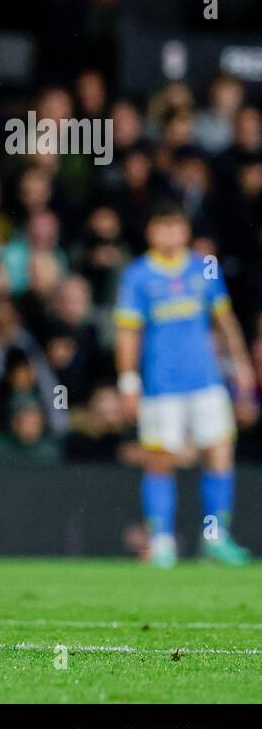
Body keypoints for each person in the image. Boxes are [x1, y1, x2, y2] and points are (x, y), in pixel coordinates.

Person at [114, 202, 256, 567]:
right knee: (160, 461)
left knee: (220, 452)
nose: (169, 234)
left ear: (185, 230)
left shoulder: (204, 268)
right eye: (162, 227)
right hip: (161, 385)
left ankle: (215, 537)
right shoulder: (138, 275)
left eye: (176, 226)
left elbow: (224, 321)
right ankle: (161, 542)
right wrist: (128, 382)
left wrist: (240, 365)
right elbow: (128, 333)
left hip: (206, 380)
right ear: (151, 232)